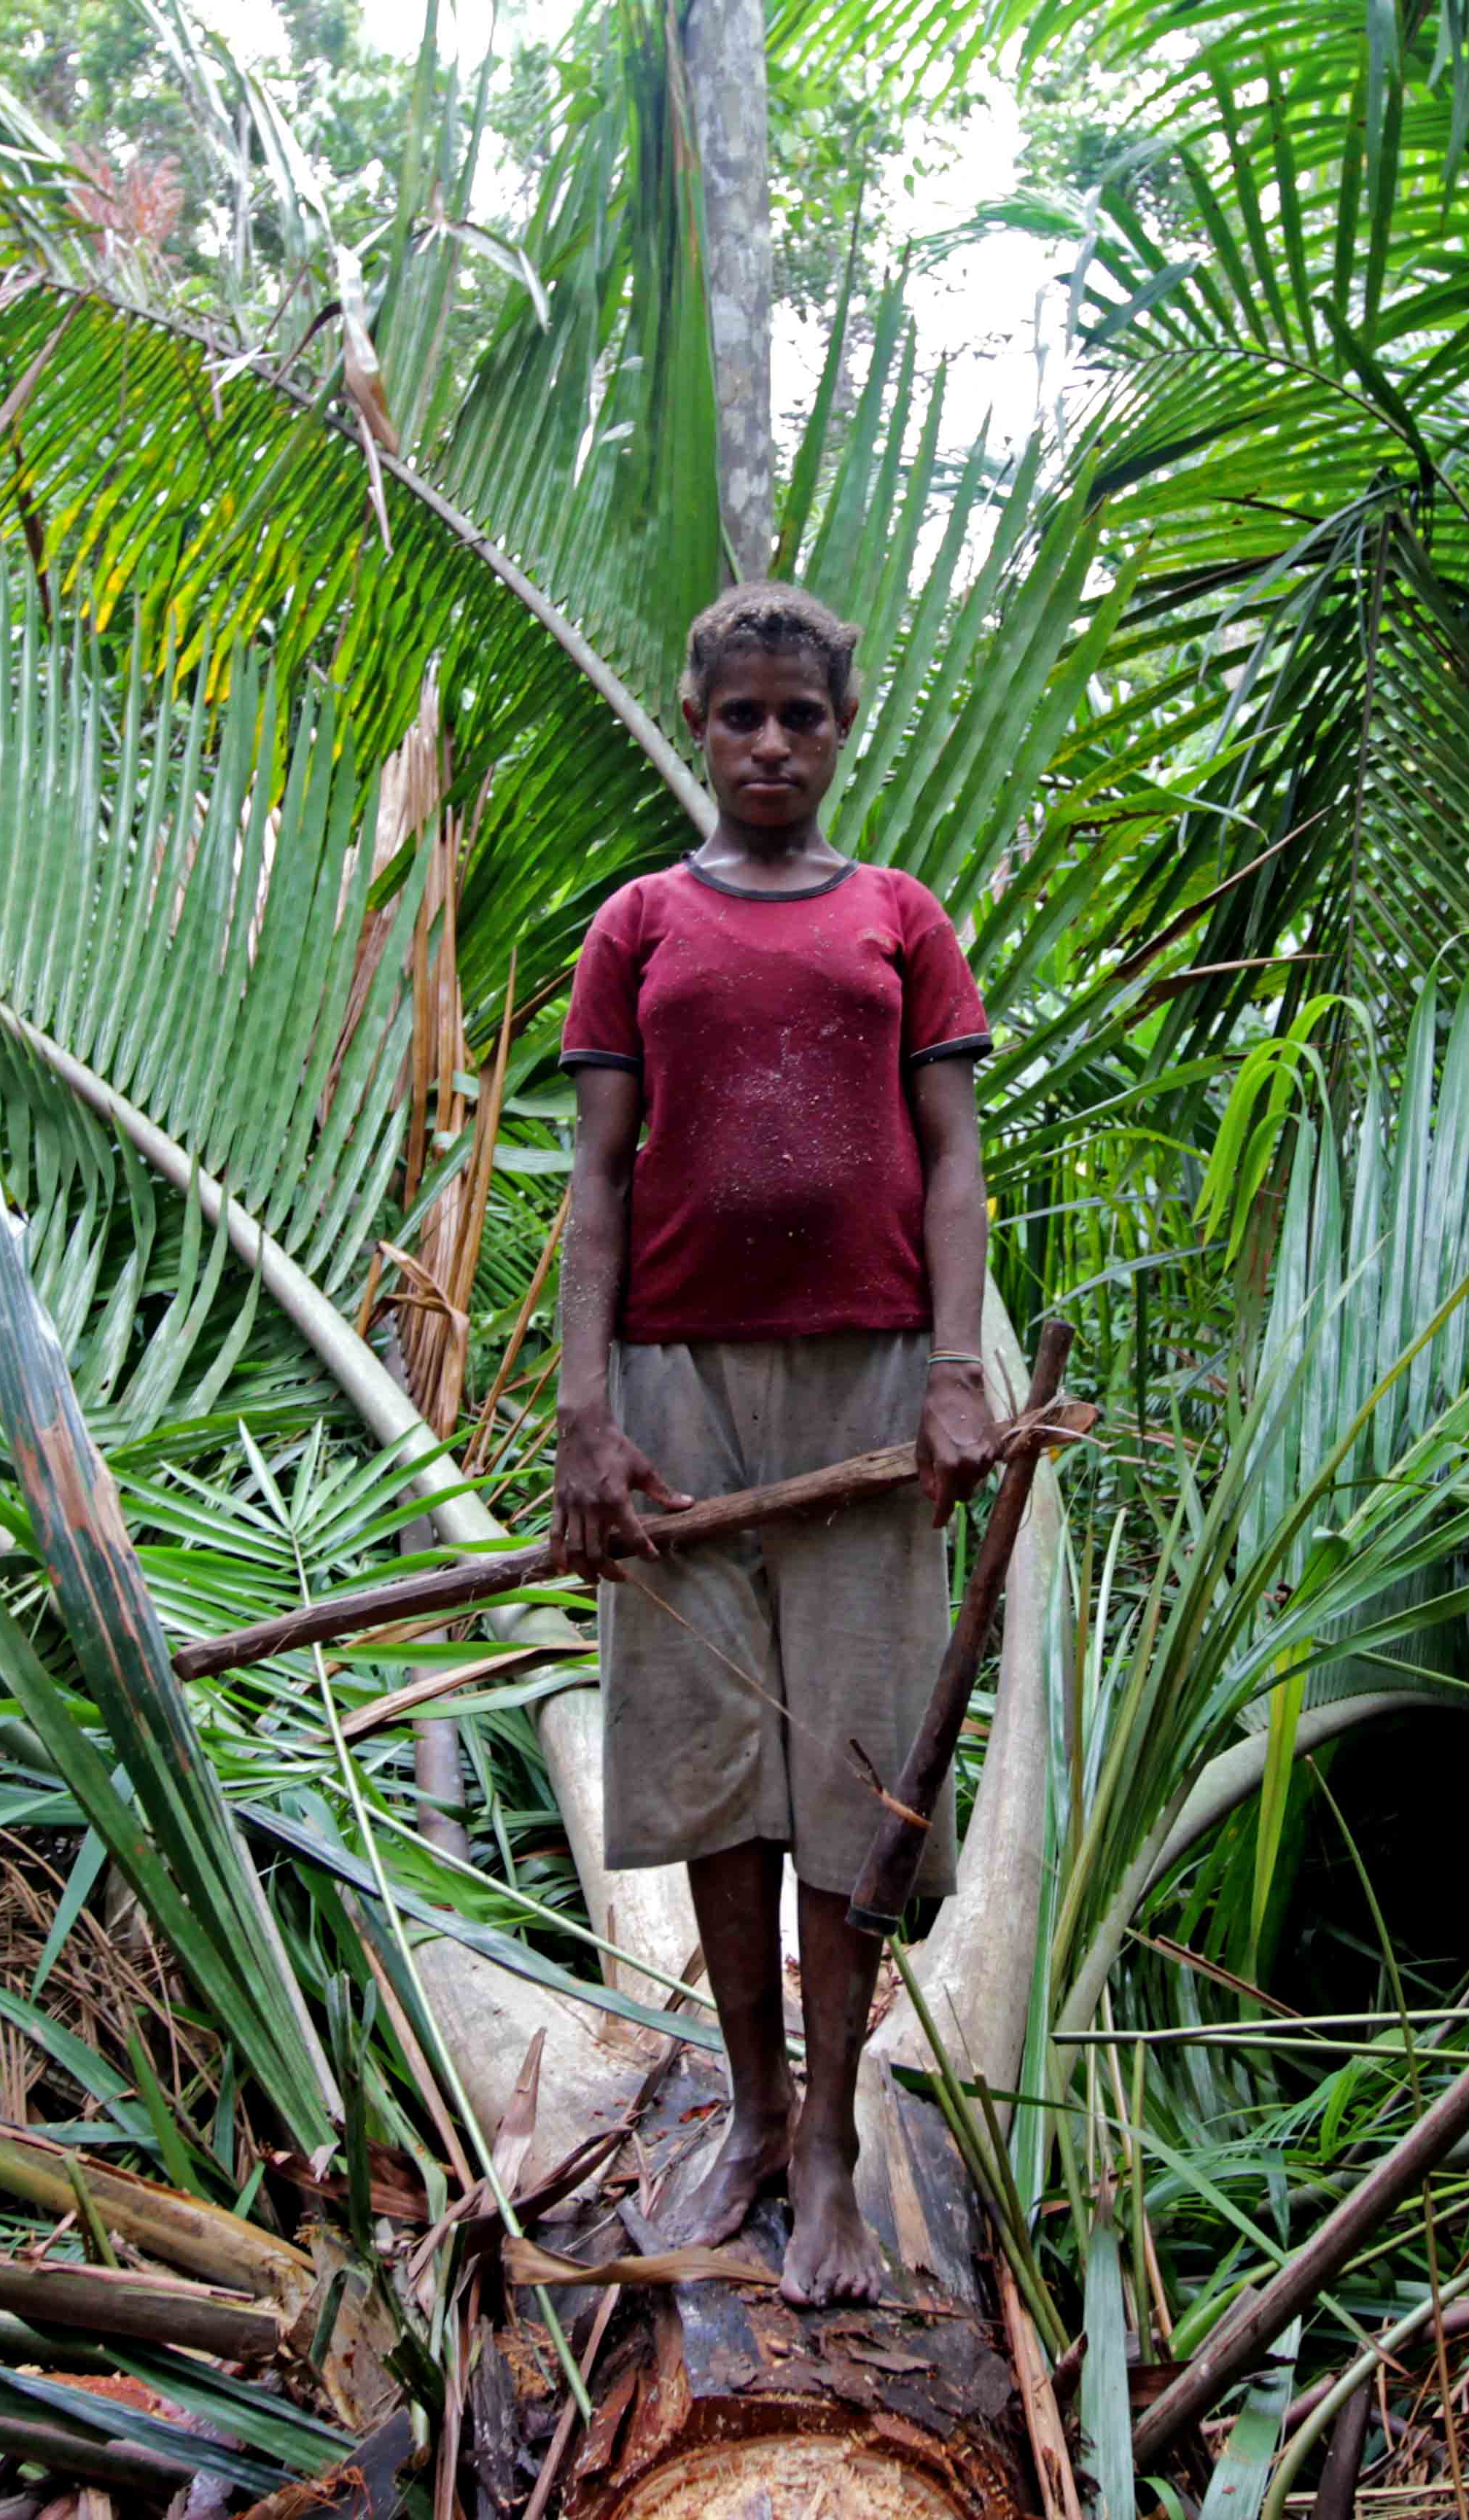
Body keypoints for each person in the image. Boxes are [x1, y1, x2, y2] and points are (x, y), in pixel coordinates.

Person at [550, 580, 1002, 2309]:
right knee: (719, 1765)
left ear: (844, 729)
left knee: (852, 1772)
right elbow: (597, 1184)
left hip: (871, 1385)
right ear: (694, 718)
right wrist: (586, 1421)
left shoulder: (901, 916)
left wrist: (954, 1374)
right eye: (738, 712)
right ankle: (747, 2113)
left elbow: (950, 1163)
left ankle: (829, 2144)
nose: (767, 743)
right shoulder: (639, 922)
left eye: (799, 716)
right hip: (675, 1392)